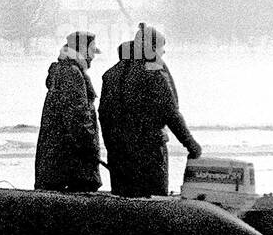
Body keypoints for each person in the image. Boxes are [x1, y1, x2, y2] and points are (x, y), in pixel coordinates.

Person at [98, 24, 203, 198]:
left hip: (118, 155)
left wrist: (113, 145)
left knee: (124, 203)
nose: (163, 53)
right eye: (162, 48)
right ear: (152, 48)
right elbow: (170, 113)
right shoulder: (153, 72)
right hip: (149, 154)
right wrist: (191, 144)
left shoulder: (111, 74)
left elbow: (104, 116)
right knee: (154, 200)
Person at [34, 31, 102, 193]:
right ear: (83, 50)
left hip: (59, 163)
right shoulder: (71, 73)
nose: (93, 56)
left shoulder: (63, 71)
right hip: (70, 165)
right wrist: (90, 149)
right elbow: (77, 118)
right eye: (92, 51)